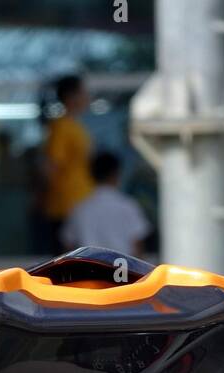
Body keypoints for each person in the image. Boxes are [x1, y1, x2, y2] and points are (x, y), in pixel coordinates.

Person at [61, 151, 150, 257]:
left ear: (91, 175)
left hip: (88, 269)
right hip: (122, 270)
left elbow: (68, 245)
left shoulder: (79, 208)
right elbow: (137, 246)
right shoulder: (128, 206)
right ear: (116, 174)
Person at [42, 74, 94, 253]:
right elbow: (51, 167)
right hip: (65, 206)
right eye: (83, 92)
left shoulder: (76, 126)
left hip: (79, 203)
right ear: (72, 96)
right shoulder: (61, 126)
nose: (87, 97)